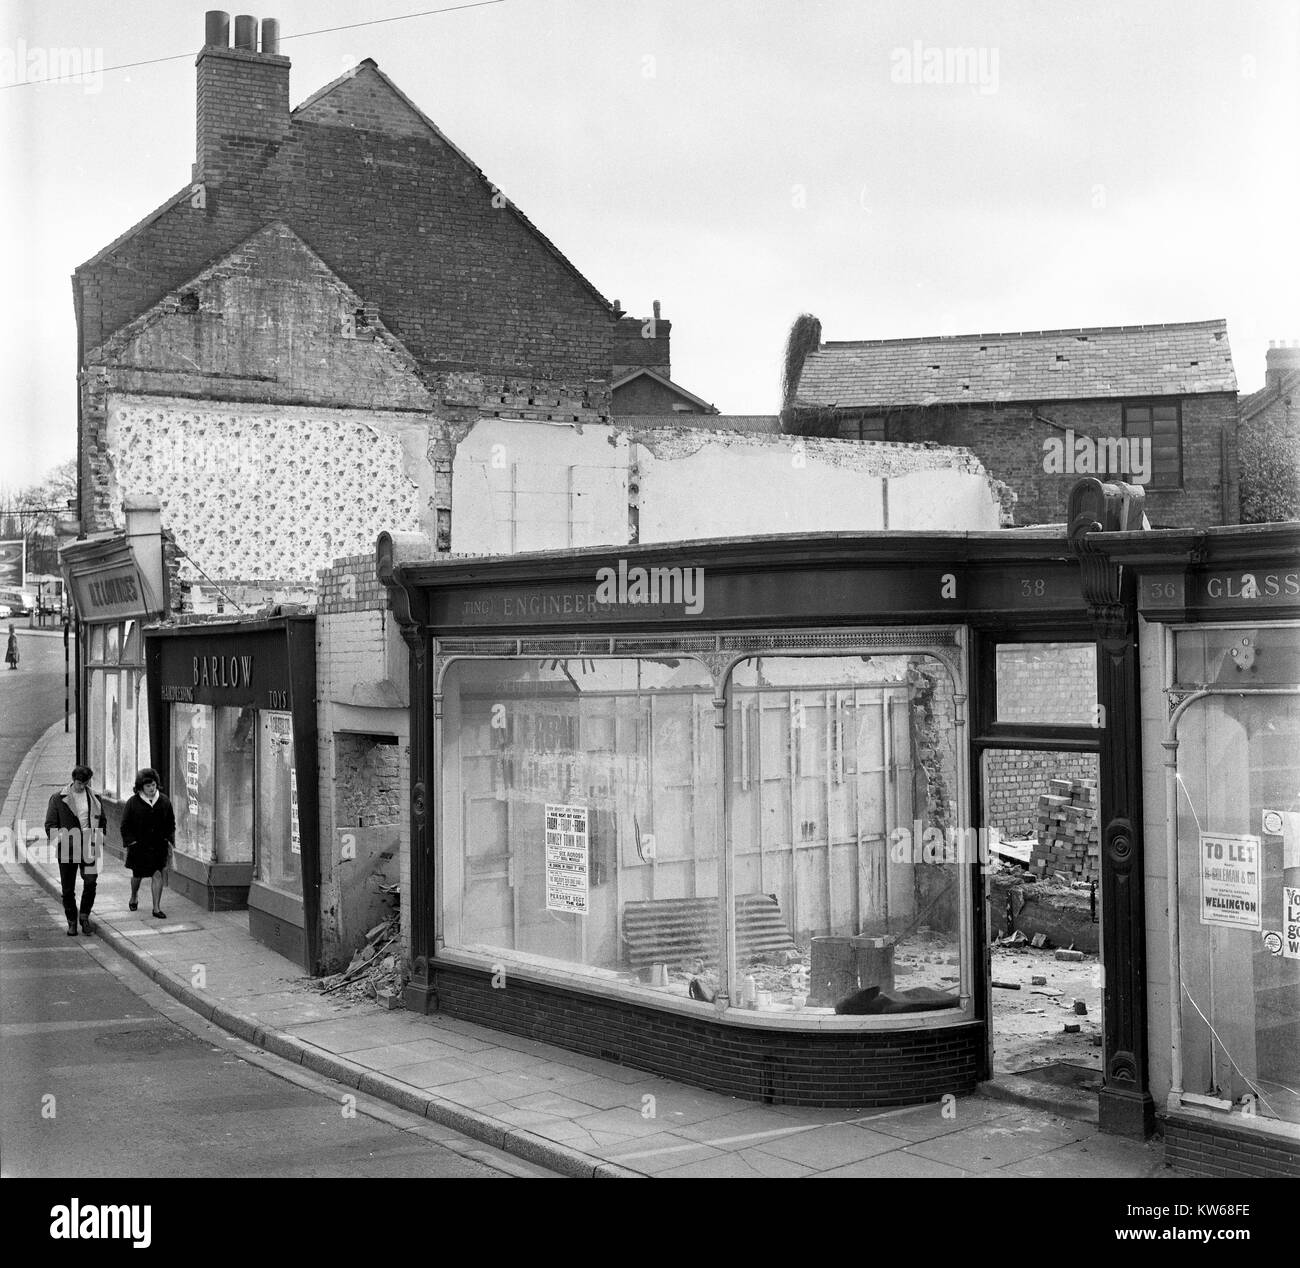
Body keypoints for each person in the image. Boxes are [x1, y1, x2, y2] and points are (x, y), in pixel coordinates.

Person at [45, 765, 106, 936]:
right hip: (67, 848)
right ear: (73, 780)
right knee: (67, 889)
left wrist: (101, 837)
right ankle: (71, 921)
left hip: (89, 845)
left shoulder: (95, 798)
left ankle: (84, 917)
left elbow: (102, 820)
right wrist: (61, 843)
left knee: (91, 882)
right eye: (79, 783)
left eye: (84, 783)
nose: (81, 786)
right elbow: (50, 825)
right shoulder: (58, 798)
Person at [120, 768, 175, 919]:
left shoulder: (164, 801)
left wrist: (167, 838)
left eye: (153, 785)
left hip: (158, 846)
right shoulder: (133, 802)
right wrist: (132, 842)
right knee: (137, 876)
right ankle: (134, 895)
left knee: (157, 874)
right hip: (139, 847)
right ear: (140, 787)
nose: (152, 788)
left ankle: (156, 908)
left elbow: (171, 821)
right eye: (148, 786)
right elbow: (125, 825)